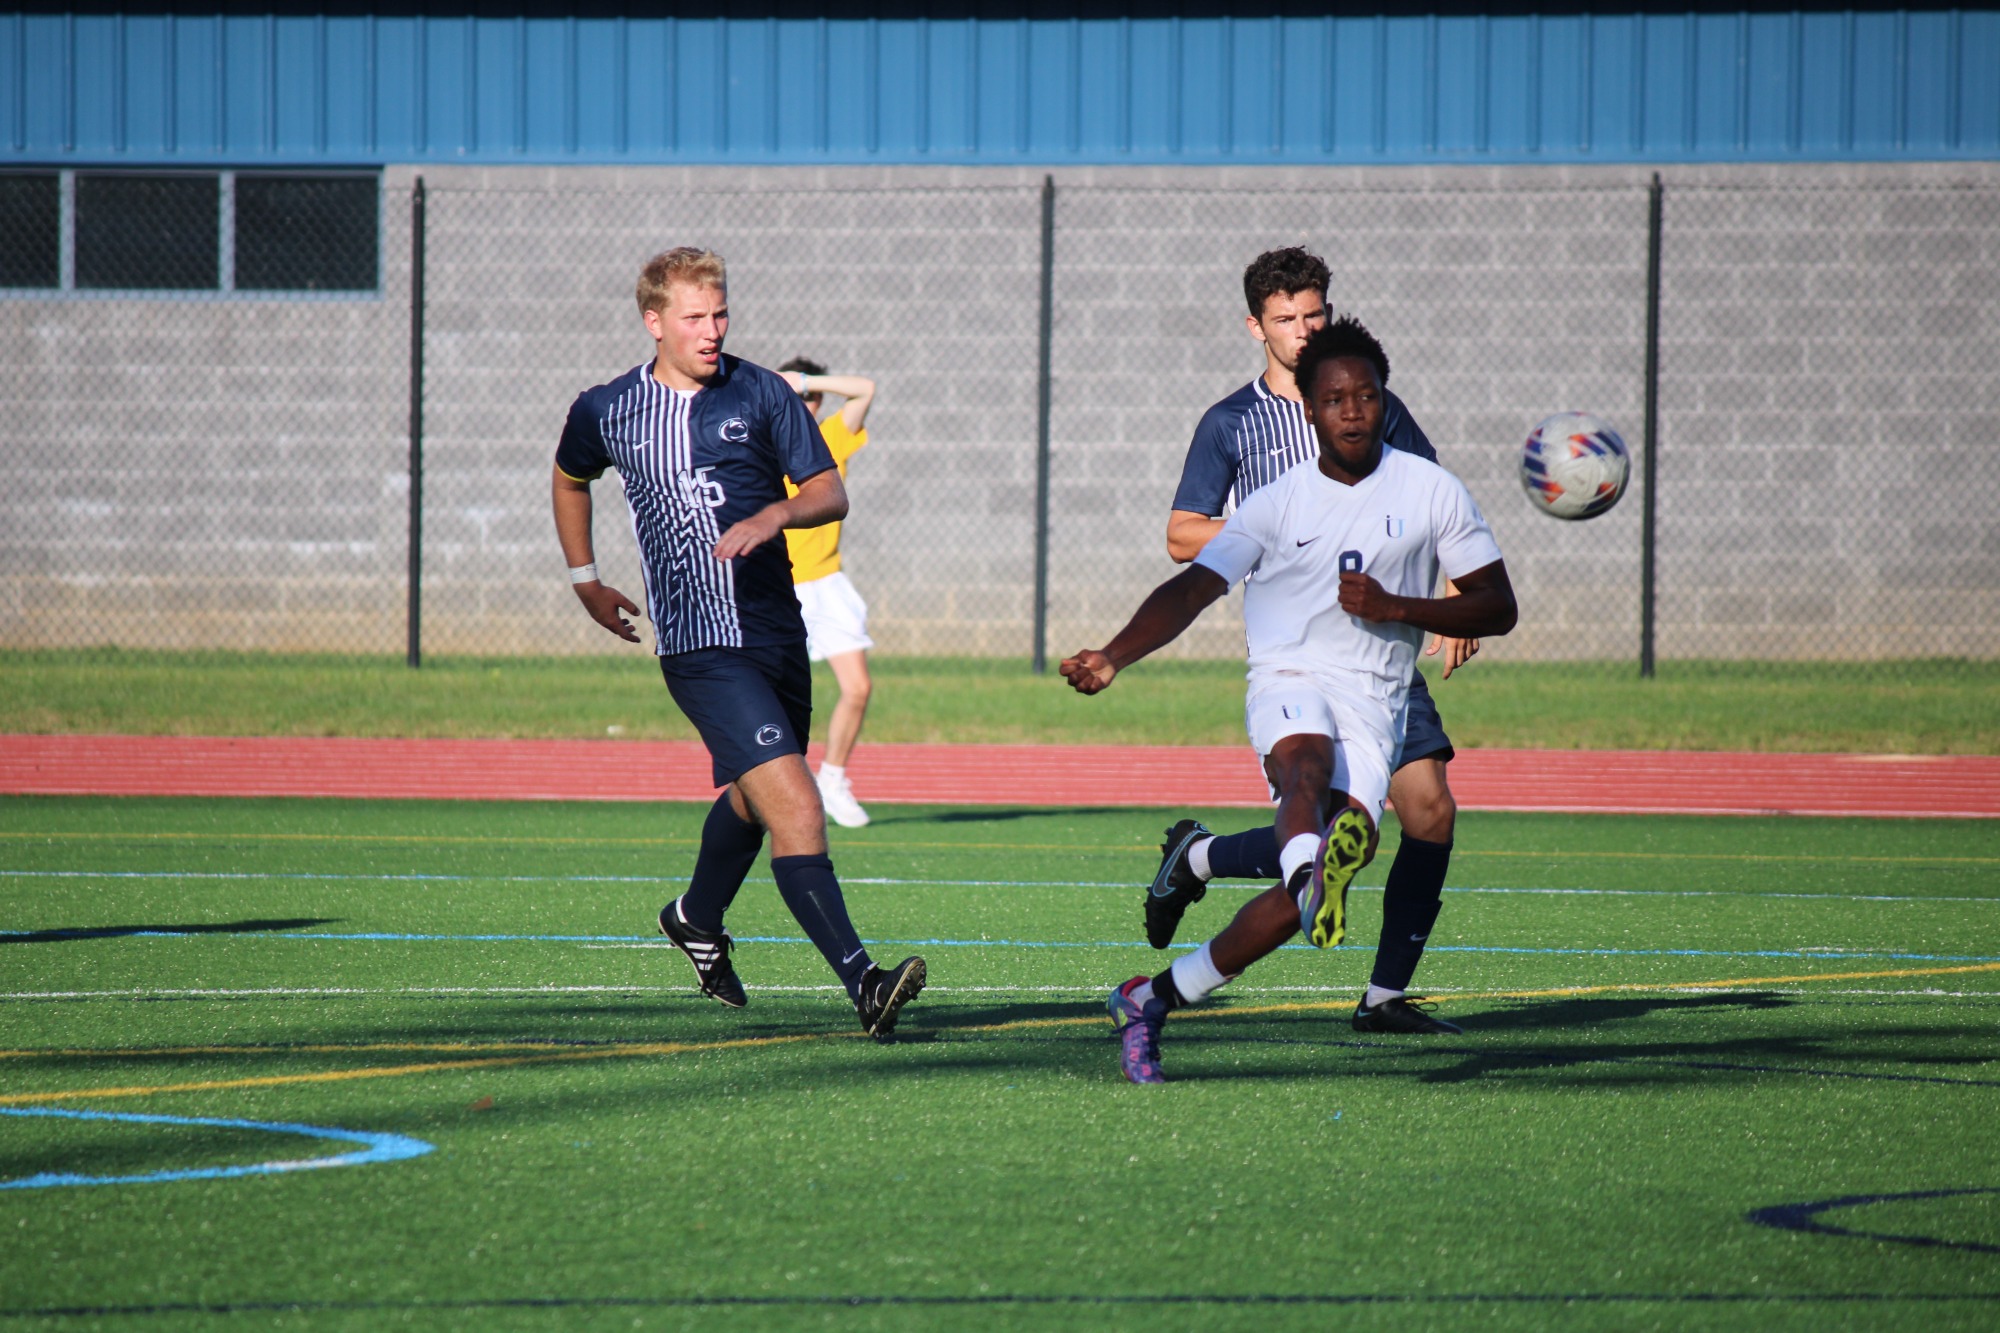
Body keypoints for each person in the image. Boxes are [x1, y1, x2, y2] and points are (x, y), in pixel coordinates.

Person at [1062, 317, 1516, 1084]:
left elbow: (1497, 605)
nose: (1353, 411)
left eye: (1366, 396)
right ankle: (1312, 877)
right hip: (1289, 677)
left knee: (1318, 878)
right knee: (1303, 771)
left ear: (1384, 400)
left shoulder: (1432, 489)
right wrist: (1113, 654)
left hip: (1376, 703)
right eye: (1335, 398)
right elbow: (1193, 587)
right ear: (1308, 408)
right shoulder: (1276, 503)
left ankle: (1152, 996)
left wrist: (1399, 607)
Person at [549, 246, 924, 1039]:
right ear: (654, 322)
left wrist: (776, 513)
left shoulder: (763, 392)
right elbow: (570, 476)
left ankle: (694, 914)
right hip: (699, 646)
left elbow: (829, 490)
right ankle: (865, 982)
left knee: (757, 800)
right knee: (798, 803)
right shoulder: (609, 408)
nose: (712, 330)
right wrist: (586, 578)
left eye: (720, 314)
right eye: (695, 317)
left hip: (777, 633)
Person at [1149, 246, 1481, 1036]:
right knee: (1333, 832)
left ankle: (1383, 997)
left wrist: (1456, 593)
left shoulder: (1369, 403)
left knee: (1429, 809)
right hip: (1301, 652)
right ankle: (1196, 863)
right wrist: (1280, 531)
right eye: (1285, 318)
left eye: (1313, 314)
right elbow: (1180, 534)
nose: (1302, 330)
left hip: (1380, 647)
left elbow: (1431, 497)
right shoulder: (1231, 422)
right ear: (1255, 328)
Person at [773, 357, 877, 829]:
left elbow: (865, 389)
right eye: (794, 398)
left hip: (826, 583)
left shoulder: (829, 438)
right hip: (776, 582)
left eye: (810, 398)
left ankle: (832, 780)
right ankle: (770, 788)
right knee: (771, 696)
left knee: (858, 688)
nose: (804, 405)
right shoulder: (759, 443)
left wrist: (807, 382)